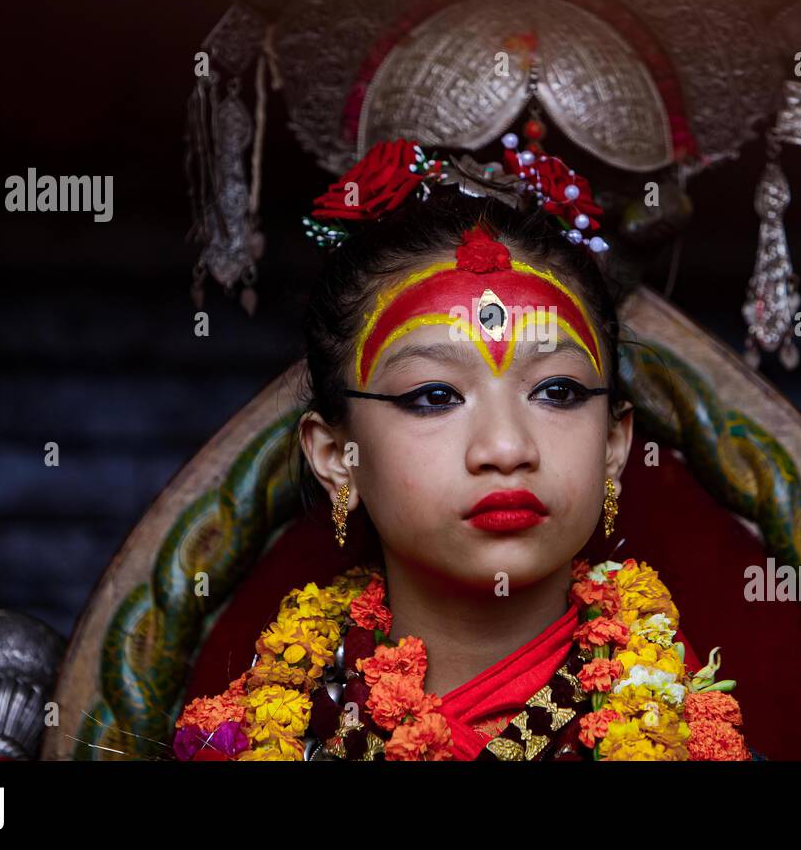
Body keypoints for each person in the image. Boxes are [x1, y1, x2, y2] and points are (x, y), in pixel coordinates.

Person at [172, 138, 756, 761]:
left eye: (557, 391)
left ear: (615, 446)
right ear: (336, 455)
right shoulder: (258, 733)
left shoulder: (684, 731)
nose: (506, 447)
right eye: (433, 396)